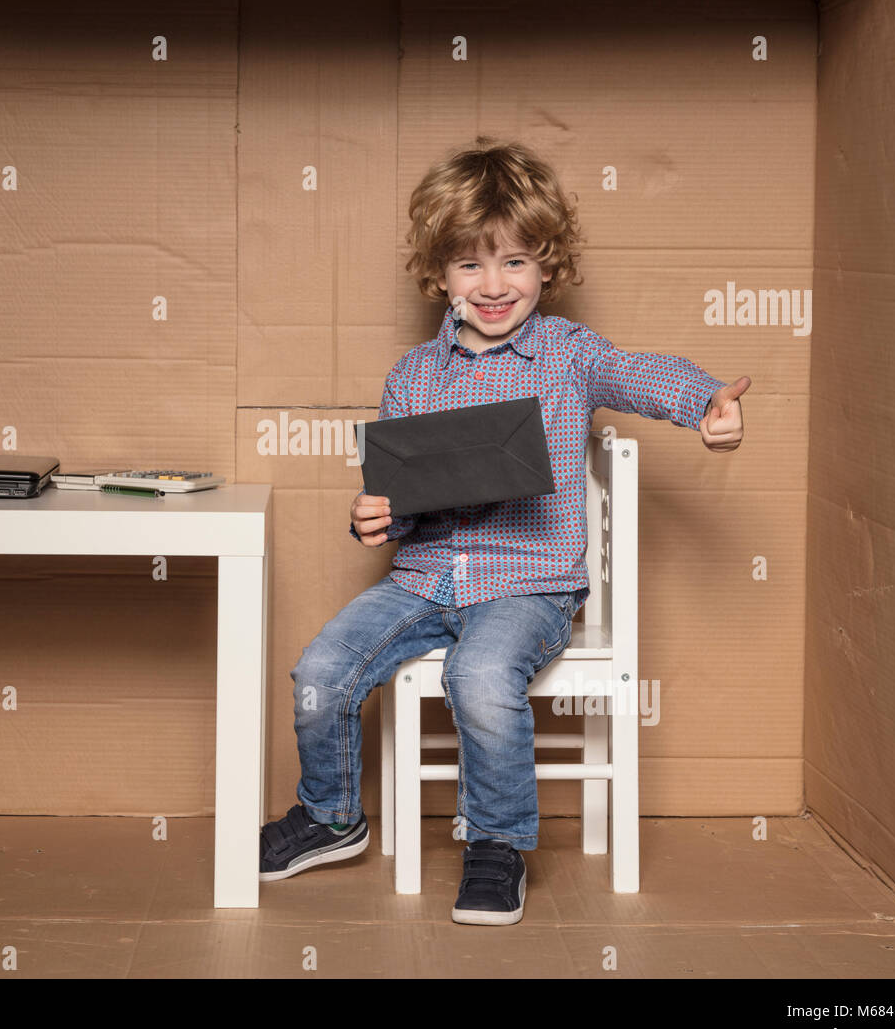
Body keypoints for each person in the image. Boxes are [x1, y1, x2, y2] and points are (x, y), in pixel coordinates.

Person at [258, 136, 749, 924]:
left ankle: (495, 843)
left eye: (515, 262)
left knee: (479, 679)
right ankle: (331, 817)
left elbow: (645, 375)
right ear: (440, 275)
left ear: (547, 267)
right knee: (319, 669)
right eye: (471, 265)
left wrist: (707, 405)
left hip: (527, 583)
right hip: (424, 580)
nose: (494, 285)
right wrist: (372, 516)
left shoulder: (568, 355)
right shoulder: (413, 376)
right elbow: (398, 497)